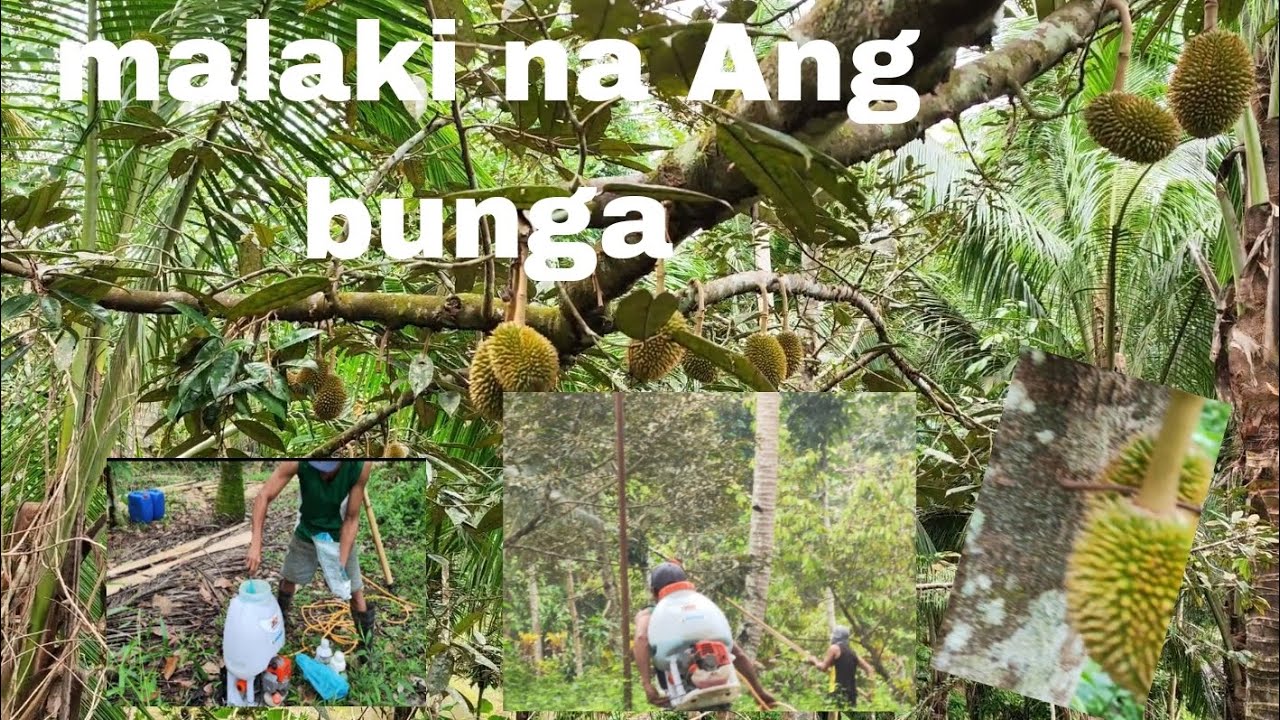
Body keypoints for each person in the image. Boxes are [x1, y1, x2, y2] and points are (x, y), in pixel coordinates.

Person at [245, 460, 376, 653]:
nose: (323, 474)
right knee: (289, 579)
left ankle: (366, 647)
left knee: (355, 592)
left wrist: (340, 563)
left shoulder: (360, 465)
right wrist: (256, 543)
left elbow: (351, 518)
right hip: (307, 530)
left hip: (339, 533)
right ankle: (280, 621)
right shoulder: (300, 460)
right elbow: (264, 495)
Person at [633, 562, 777, 709]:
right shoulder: (701, 608)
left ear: (654, 591)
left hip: (679, 695)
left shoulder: (650, 613)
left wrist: (646, 683)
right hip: (717, 692)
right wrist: (759, 692)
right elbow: (737, 654)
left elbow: (641, 638)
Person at [811, 625, 875, 708]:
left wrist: (815, 661)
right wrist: (871, 691)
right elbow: (870, 669)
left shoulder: (834, 648)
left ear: (836, 636)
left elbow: (823, 667)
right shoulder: (852, 653)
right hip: (852, 694)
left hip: (838, 691)